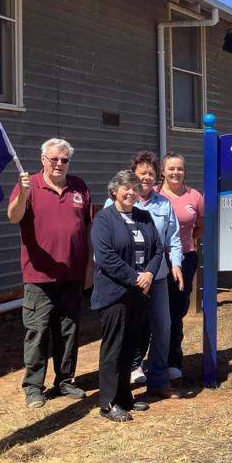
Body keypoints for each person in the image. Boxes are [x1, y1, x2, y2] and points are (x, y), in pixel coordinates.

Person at [8, 138, 93, 409]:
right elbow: (13, 216)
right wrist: (22, 194)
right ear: (43, 159)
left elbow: (87, 228)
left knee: (68, 331)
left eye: (64, 160)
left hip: (73, 275)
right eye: (54, 159)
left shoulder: (79, 186)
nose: (59, 164)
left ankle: (65, 380)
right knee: (38, 331)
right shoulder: (29, 185)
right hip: (39, 277)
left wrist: (89, 267)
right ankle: (33, 386)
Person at [104, 151, 183, 398]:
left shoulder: (163, 204)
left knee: (163, 328)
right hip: (127, 282)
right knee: (129, 330)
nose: (146, 178)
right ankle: (122, 385)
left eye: (150, 173)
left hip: (157, 278)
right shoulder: (118, 201)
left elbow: (173, 240)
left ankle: (159, 381)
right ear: (133, 176)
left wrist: (176, 264)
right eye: (141, 173)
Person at [92, 170, 164, 422]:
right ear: (114, 192)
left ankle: (125, 397)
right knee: (114, 348)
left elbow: (157, 249)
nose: (131, 192)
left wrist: (149, 275)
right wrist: (136, 277)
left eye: (134, 188)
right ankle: (108, 403)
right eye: (126, 188)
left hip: (140, 293)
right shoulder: (104, 219)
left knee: (131, 345)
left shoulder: (144, 217)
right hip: (115, 294)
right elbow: (106, 257)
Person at [156, 151, 204, 380]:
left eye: (180, 169)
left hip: (184, 258)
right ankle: (147, 362)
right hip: (155, 260)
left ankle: (173, 360)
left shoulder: (194, 196)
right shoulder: (153, 195)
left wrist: (191, 240)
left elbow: (201, 224)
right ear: (163, 171)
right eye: (171, 168)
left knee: (176, 311)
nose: (176, 172)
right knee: (152, 311)